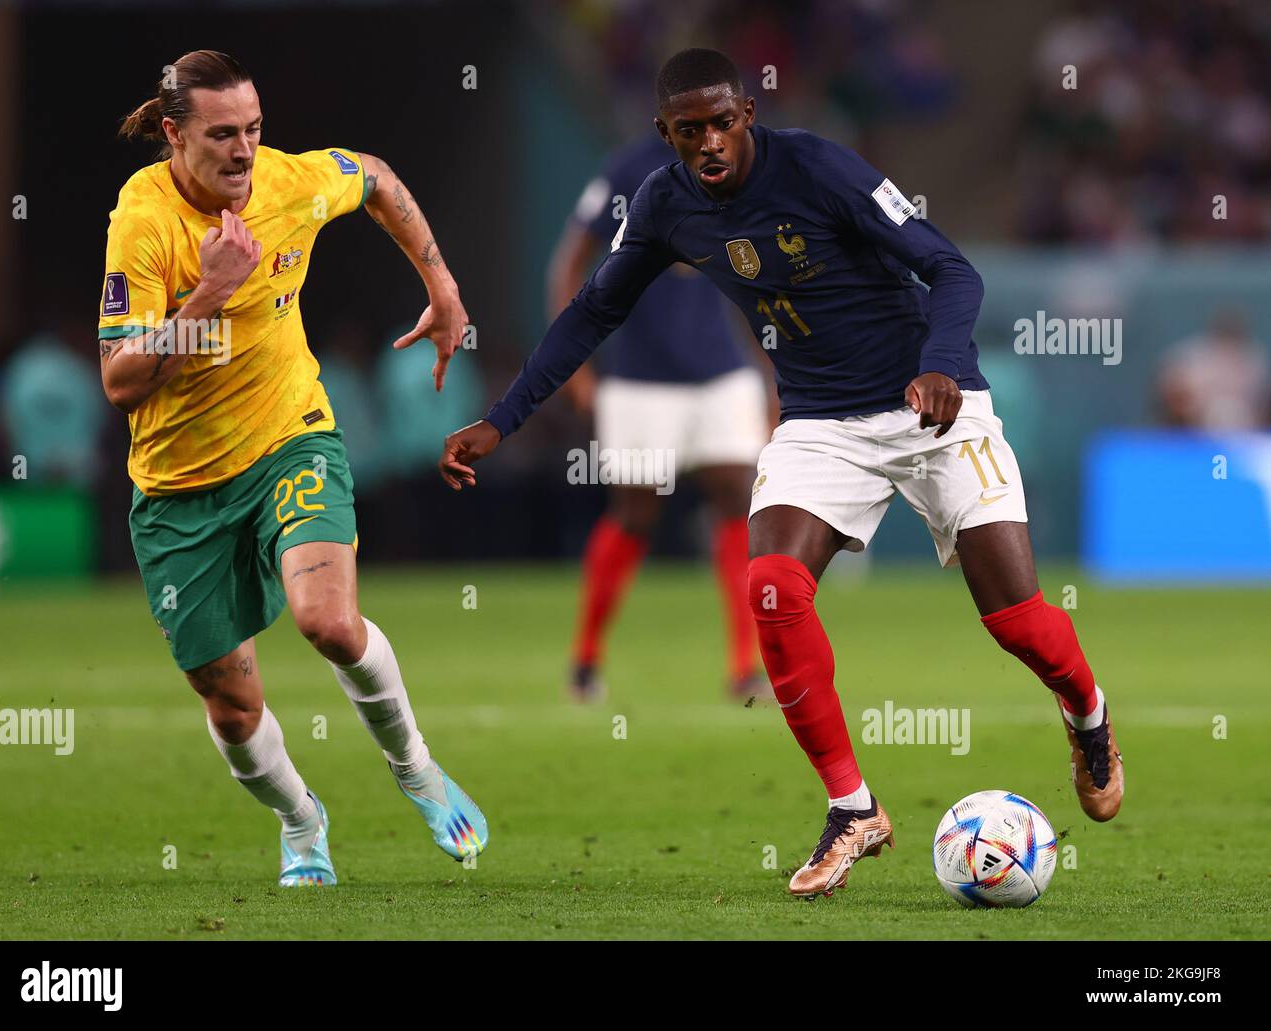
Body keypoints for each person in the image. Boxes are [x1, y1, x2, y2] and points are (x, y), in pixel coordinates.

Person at [440, 48, 1122, 899]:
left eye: (723, 123)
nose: (711, 143)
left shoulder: (819, 167)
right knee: (772, 583)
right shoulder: (661, 204)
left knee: (1017, 621)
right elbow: (590, 312)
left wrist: (943, 362)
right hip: (819, 424)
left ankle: (1088, 716)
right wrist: (501, 420)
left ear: (746, 116)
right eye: (691, 131)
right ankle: (853, 808)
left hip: (932, 406)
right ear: (667, 135)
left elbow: (953, 267)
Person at [99, 50, 486, 888]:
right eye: (222, 135)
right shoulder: (142, 219)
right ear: (173, 135)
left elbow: (376, 178)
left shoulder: (287, 183)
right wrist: (206, 296)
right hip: (177, 489)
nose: (243, 152)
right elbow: (120, 379)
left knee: (330, 623)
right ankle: (301, 819)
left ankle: (416, 767)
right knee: (232, 709)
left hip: (290, 439)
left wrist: (442, 284)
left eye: (254, 129)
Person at [549, 133, 769, 702]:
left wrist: (770, 372)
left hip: (721, 372)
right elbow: (568, 263)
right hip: (641, 377)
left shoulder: (740, 165)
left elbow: (756, 277)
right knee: (636, 512)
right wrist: (574, 365)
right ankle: (586, 659)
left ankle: (744, 668)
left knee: (740, 501)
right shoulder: (627, 169)